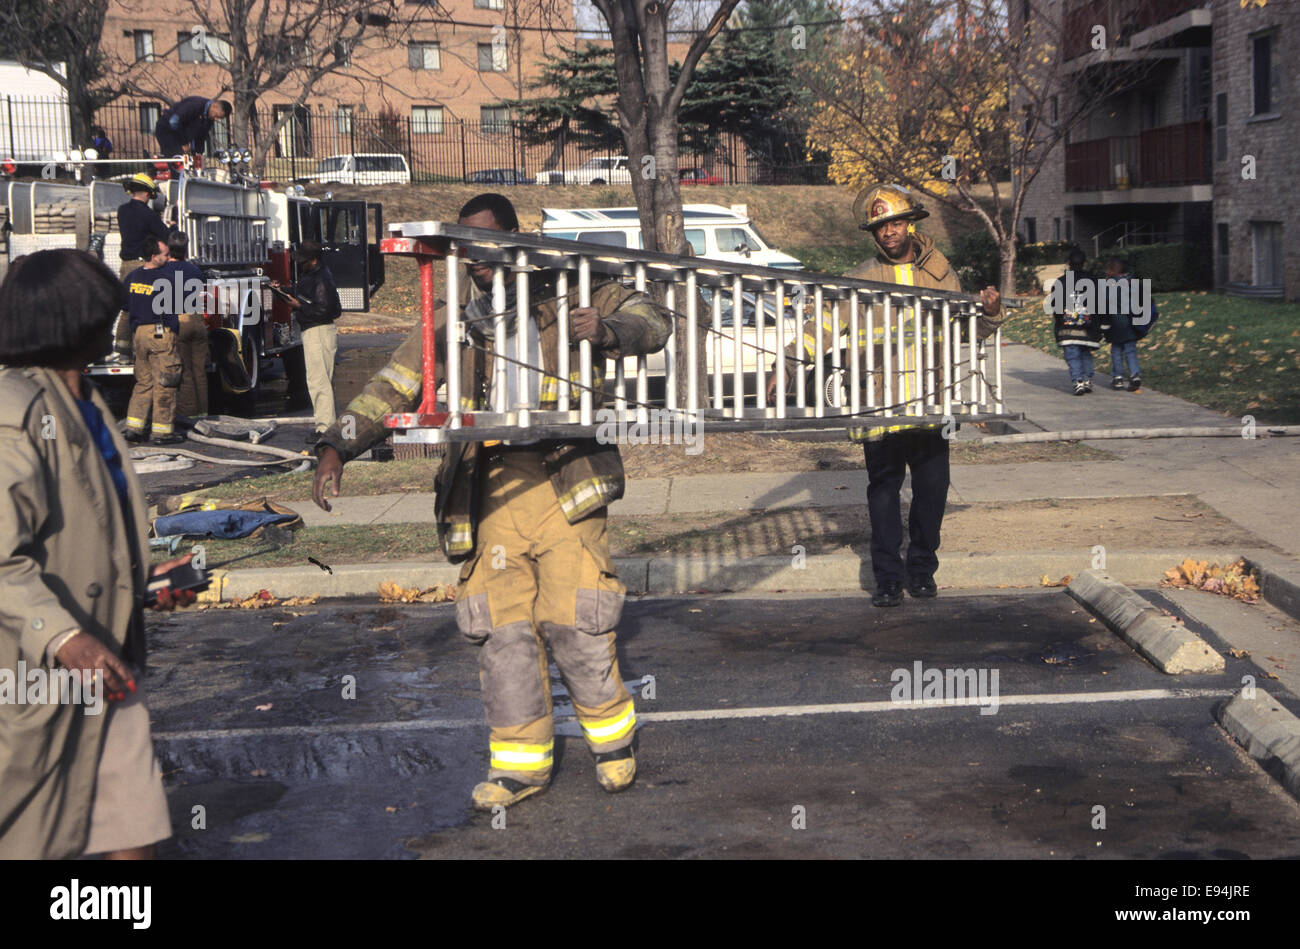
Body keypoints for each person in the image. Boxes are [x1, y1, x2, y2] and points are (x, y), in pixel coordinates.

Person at [311, 193, 671, 810]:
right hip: (490, 491)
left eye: (485, 242)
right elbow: (396, 383)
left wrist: (607, 330)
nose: (475, 257)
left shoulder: (577, 286)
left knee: (577, 623)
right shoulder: (456, 317)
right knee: (502, 635)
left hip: (566, 486)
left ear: (514, 236)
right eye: (464, 246)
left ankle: (613, 744)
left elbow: (655, 322)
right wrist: (337, 446)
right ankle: (519, 767)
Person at [0, 249, 196, 860]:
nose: (112, 323)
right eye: (101, 312)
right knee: (34, 838)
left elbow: (95, 528)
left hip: (108, 662)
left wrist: (145, 578)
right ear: (72, 321)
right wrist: (61, 638)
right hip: (37, 676)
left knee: (131, 833)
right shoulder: (15, 412)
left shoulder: (83, 400)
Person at [769, 184, 1003, 608]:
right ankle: (888, 579)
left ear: (910, 224)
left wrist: (989, 314)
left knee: (934, 491)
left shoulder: (939, 273)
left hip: (931, 404)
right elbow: (821, 325)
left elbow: (965, 331)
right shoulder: (860, 278)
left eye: (895, 222)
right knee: (883, 493)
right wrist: (786, 362)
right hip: (878, 406)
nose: (888, 232)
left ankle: (921, 570)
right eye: (880, 227)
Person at [271, 240, 342, 444]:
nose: (300, 264)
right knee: (322, 381)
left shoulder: (321, 279)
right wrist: (285, 292)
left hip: (318, 332)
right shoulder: (314, 275)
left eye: (303, 260)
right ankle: (329, 425)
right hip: (315, 331)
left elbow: (327, 310)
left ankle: (325, 429)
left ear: (314, 259)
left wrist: (298, 306)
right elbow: (307, 297)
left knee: (319, 381)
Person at [122, 237, 185, 444]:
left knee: (144, 382)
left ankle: (133, 429)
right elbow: (176, 308)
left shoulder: (132, 277)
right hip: (161, 333)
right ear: (153, 256)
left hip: (139, 334)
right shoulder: (166, 279)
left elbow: (125, 306)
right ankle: (162, 432)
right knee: (166, 382)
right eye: (165, 255)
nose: (168, 258)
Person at [111, 173, 170, 362]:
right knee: (147, 305)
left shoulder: (122, 210)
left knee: (127, 307)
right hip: (141, 264)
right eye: (149, 195)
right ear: (146, 193)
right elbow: (164, 234)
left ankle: (122, 349)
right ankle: (147, 346)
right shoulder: (147, 214)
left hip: (125, 264)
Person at [164, 233, 210, 418]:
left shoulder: (164, 271)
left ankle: (189, 415)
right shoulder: (195, 271)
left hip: (179, 322)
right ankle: (203, 412)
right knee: (200, 371)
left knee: (185, 371)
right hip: (197, 322)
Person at [1051, 247, 1103, 395]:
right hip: (1088, 327)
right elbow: (1100, 304)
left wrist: (1060, 320)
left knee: (1072, 355)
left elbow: (1056, 306)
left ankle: (1077, 381)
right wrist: (1100, 323)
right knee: (1086, 353)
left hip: (1067, 328)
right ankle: (1087, 379)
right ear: (1085, 263)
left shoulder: (1060, 282)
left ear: (1068, 263)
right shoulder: (1093, 281)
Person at [1102, 256, 1144, 393]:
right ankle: (1135, 373)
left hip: (1115, 323)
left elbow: (1105, 302)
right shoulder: (1130, 283)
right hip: (1131, 323)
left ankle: (1118, 377)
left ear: (1111, 271)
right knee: (1130, 350)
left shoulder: (1110, 286)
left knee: (1116, 351)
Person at [154, 96, 231, 158]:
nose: (216, 119)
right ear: (214, 106)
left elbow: (201, 136)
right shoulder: (195, 105)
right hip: (167, 129)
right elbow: (174, 121)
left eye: (219, 118)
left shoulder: (209, 119)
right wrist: (182, 143)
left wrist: (198, 153)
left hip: (181, 135)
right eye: (217, 116)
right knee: (177, 157)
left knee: (191, 160)